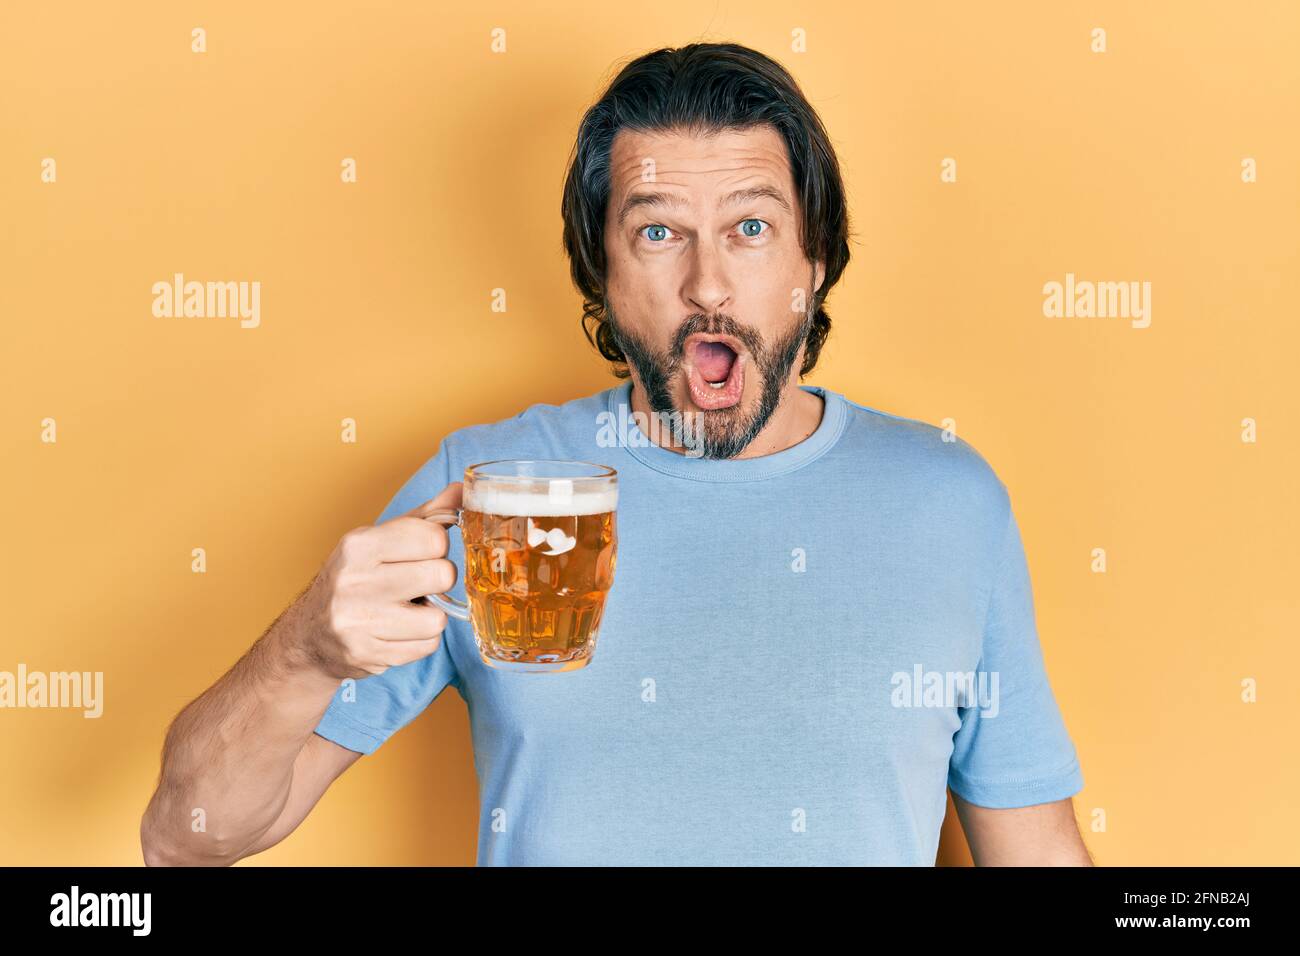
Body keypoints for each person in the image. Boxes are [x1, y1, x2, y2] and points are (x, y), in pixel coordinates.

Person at [140, 41, 1090, 866]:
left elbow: (1037, 847)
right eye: (657, 232)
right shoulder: (492, 490)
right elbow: (186, 839)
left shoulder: (949, 503)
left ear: (816, 260)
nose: (707, 283)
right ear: (599, 269)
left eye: (751, 229)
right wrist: (304, 651)